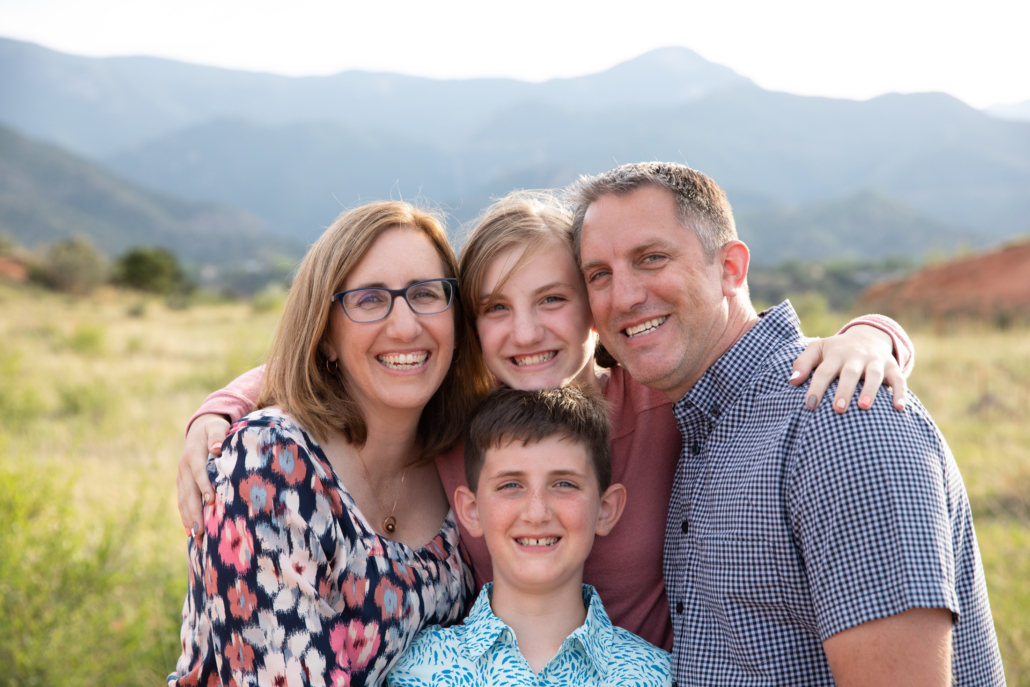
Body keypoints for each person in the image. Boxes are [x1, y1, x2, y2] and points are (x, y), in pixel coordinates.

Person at [176, 191, 915, 652]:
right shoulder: (457, 426)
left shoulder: (656, 400)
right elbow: (359, 351)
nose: (525, 332)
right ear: (470, 324)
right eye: (496, 307)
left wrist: (871, 334)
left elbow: (747, 343)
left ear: (596, 304)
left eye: (553, 299)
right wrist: (224, 405)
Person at [570, 161, 1004, 685]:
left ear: (730, 267)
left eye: (652, 258)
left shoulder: (841, 420)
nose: (623, 297)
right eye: (599, 275)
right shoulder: (695, 426)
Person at [168, 201, 491, 687]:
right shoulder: (269, 464)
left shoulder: (471, 460)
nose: (406, 326)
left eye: (426, 294)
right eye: (369, 300)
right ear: (325, 336)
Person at [387, 384, 671, 686]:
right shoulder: (415, 669)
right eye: (510, 485)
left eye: (564, 484)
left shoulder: (657, 675)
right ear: (471, 511)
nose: (536, 514)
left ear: (605, 509)